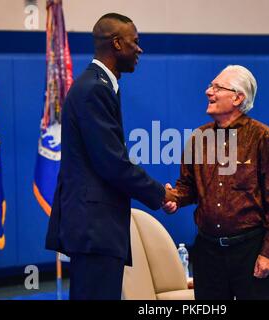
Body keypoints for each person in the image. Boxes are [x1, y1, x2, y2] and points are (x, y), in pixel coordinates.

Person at [45, 13, 177, 300]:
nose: (139, 49)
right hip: (94, 227)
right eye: (135, 42)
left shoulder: (100, 86)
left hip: (95, 226)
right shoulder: (95, 89)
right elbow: (112, 163)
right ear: (117, 44)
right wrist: (160, 193)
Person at [163, 65, 269, 300]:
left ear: (237, 97)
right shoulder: (198, 139)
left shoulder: (264, 138)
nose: (207, 92)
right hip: (208, 252)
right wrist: (174, 199)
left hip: (251, 250)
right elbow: (188, 187)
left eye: (216, 87)